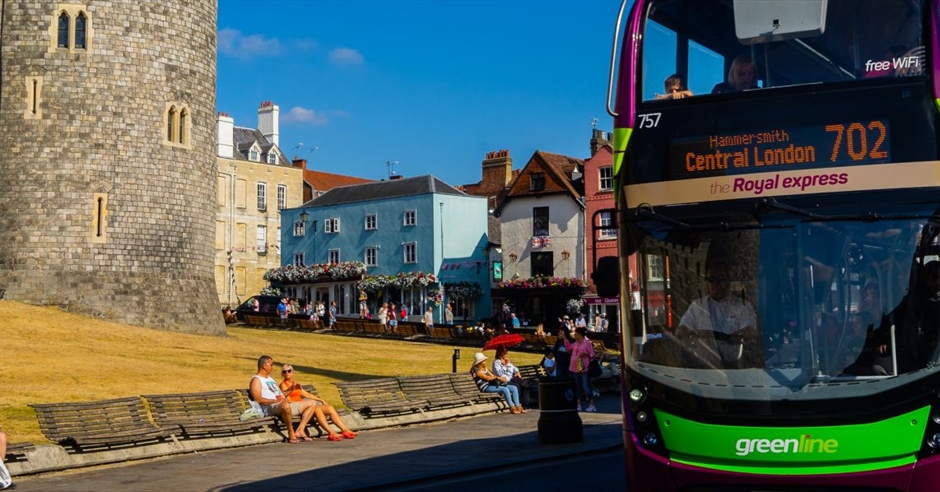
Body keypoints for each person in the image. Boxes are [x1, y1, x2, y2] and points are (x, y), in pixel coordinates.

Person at [846, 261, 940, 375]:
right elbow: (892, 324)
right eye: (929, 275)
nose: (932, 281)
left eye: (936, 277)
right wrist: (886, 342)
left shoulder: (932, 306)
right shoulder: (906, 303)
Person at [676, 267, 760, 369]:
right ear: (707, 283)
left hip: (734, 365)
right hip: (703, 365)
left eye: (720, 279)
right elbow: (682, 329)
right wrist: (686, 332)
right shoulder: (697, 306)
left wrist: (735, 337)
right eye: (711, 280)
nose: (716, 283)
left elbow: (749, 331)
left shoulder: (743, 306)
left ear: (728, 281)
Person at [278, 364, 357, 441]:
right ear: (282, 374)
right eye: (284, 372)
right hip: (299, 407)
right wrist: (304, 403)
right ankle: (331, 433)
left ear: (292, 372)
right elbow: (288, 399)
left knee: (330, 408)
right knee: (317, 410)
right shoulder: (283, 385)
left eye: (289, 371)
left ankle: (345, 430)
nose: (287, 373)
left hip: (306, 405)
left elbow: (307, 394)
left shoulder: (295, 384)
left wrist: (320, 400)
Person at [248, 355, 311, 443]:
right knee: (285, 405)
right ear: (264, 366)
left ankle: (300, 430)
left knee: (311, 403)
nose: (272, 367)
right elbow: (258, 399)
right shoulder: (256, 380)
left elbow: (280, 394)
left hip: (282, 404)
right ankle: (291, 432)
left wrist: (292, 388)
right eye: (271, 365)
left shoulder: (270, 379)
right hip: (269, 407)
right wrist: (275, 401)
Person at [564, 327, 597, 412]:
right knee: (577, 385)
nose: (574, 335)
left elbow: (592, 354)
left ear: (580, 334)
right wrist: (565, 340)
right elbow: (569, 348)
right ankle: (578, 404)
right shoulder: (576, 343)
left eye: (576, 334)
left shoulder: (587, 343)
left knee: (585, 385)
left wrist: (585, 354)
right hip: (574, 367)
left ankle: (592, 404)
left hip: (583, 368)